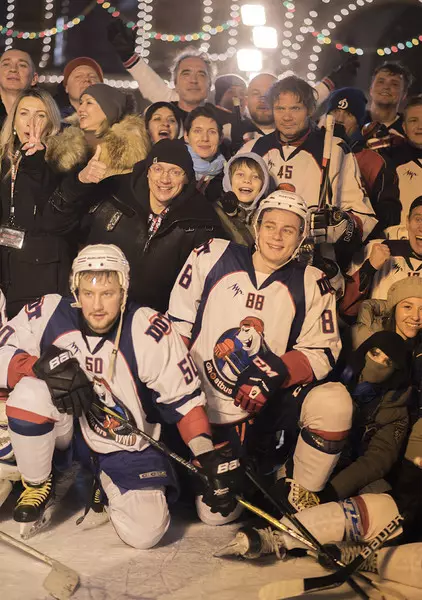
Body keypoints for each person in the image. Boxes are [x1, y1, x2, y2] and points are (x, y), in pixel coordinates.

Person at [0, 244, 242, 546]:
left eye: (108, 293)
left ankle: (105, 480)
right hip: (68, 432)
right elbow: (2, 350)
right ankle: (39, 481)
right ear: (75, 290)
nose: (97, 306)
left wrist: (204, 453)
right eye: (88, 293)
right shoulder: (49, 311)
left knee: (146, 534)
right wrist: (36, 366)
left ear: (124, 290)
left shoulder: (148, 327)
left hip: (126, 446)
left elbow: (185, 402)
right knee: (28, 394)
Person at [168, 190, 353, 516]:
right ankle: (240, 472)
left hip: (265, 411)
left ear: (301, 238)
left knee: (334, 402)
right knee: (214, 516)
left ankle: (301, 494)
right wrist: (183, 397)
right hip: (204, 407)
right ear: (255, 226)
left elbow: (323, 351)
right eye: (270, 226)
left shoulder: (313, 282)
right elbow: (177, 327)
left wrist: (275, 370)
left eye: (288, 230)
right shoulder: (212, 255)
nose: (277, 236)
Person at [51, 134, 226, 313]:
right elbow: (57, 224)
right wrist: (79, 183)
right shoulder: (113, 192)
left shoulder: (201, 220)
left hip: (150, 321)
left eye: (175, 172)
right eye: (158, 169)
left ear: (187, 178)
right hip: (92, 308)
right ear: (148, 171)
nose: (165, 179)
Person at [240, 75, 377, 272]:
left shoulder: (335, 150)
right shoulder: (252, 149)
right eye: (280, 108)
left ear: (310, 110)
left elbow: (363, 217)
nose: (287, 117)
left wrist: (342, 224)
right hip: (258, 263)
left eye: (295, 108)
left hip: (312, 266)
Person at [320, 277, 422, 502]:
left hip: (387, 435)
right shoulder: (365, 338)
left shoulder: (400, 398)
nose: (416, 316)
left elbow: (379, 457)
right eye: (407, 307)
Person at [0, 88, 83, 318]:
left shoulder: (64, 160)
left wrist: (37, 163)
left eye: (40, 115)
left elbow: (54, 219)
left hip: (43, 276)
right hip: (7, 270)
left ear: (52, 123)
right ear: (14, 120)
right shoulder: (5, 159)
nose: (31, 122)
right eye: (24, 113)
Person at [107, 21, 233, 130]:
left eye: (201, 75)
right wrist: (129, 57)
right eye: (186, 74)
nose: (193, 80)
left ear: (210, 84)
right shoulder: (160, 117)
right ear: (175, 83)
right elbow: (151, 84)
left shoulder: (226, 121)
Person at [326, 87, 401, 235]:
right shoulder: (311, 151)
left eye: (348, 114)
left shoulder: (376, 160)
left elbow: (390, 213)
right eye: (334, 112)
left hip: (355, 245)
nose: (339, 119)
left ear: (358, 122)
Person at [341, 197, 422, 318]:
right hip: (377, 334)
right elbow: (345, 310)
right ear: (408, 221)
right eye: (418, 219)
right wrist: (369, 268)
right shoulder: (378, 248)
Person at [378, 95, 422, 239]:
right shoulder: (390, 161)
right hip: (402, 243)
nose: (420, 126)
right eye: (413, 121)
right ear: (404, 126)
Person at [214, 151, 270, 245]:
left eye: (255, 176)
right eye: (240, 174)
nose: (247, 180)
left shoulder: (266, 217)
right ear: (229, 179)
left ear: (264, 185)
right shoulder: (214, 214)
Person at [363, 61, 413, 151]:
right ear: (371, 89)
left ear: (404, 94)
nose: (386, 87)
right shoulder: (355, 122)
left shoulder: (410, 130)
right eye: (381, 82)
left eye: (394, 84)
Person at [184, 105, 226, 202]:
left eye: (212, 132)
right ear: (186, 136)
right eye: (197, 131)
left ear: (221, 138)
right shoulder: (174, 169)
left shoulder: (228, 173)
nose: (205, 138)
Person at [0, 49, 38, 126]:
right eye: (6, 64)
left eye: (22, 65)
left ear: (34, 79)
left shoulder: (45, 117)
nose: (13, 69)